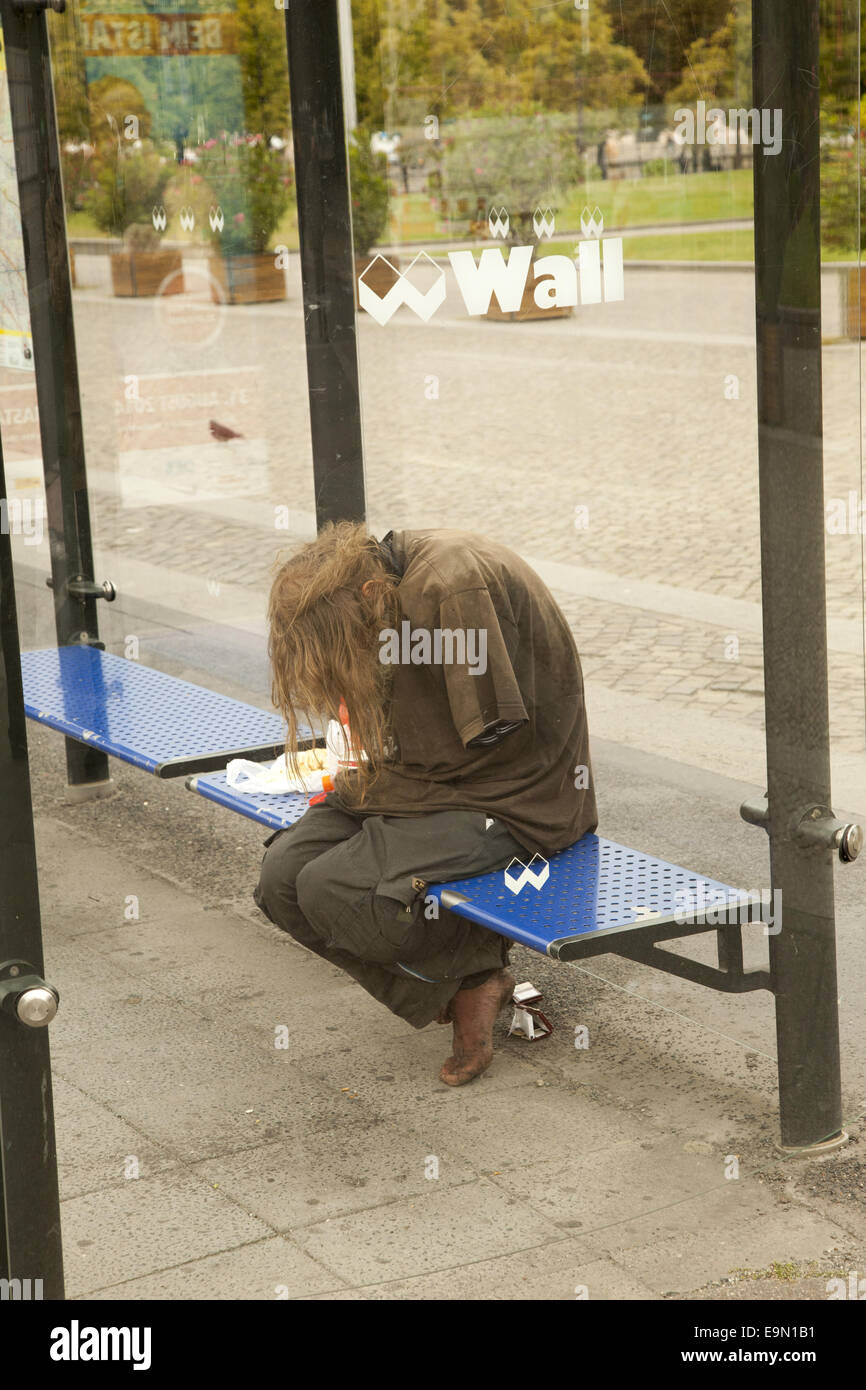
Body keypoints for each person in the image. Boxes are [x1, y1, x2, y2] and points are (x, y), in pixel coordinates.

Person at [254, 523, 597, 1086]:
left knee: (332, 888)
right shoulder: (386, 584)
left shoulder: (450, 581)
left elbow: (490, 736)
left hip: (514, 795)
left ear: (367, 595)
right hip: (423, 780)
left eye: (347, 640)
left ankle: (471, 978)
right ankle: (465, 980)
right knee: (281, 880)